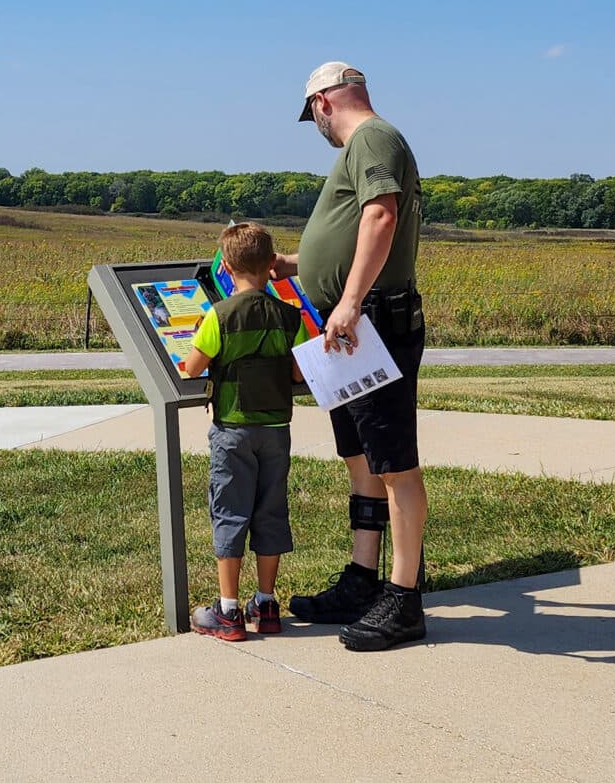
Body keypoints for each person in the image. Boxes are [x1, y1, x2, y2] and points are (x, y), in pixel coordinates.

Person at [276, 61, 429, 652]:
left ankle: (403, 597)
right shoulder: (370, 143)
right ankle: (365, 578)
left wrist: (349, 299)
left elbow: (381, 213)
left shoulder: (372, 138)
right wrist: (297, 264)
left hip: (371, 324)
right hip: (351, 328)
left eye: (312, 115)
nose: (316, 123)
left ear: (322, 104)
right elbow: (354, 227)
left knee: (393, 462)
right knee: (362, 458)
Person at [174, 221, 311, 641]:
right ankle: (266, 604)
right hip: (276, 430)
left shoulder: (219, 316)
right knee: (270, 512)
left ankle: (229, 611)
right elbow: (296, 370)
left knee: (230, 511)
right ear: (272, 265)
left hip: (232, 429)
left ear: (226, 266)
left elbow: (192, 367)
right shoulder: (291, 317)